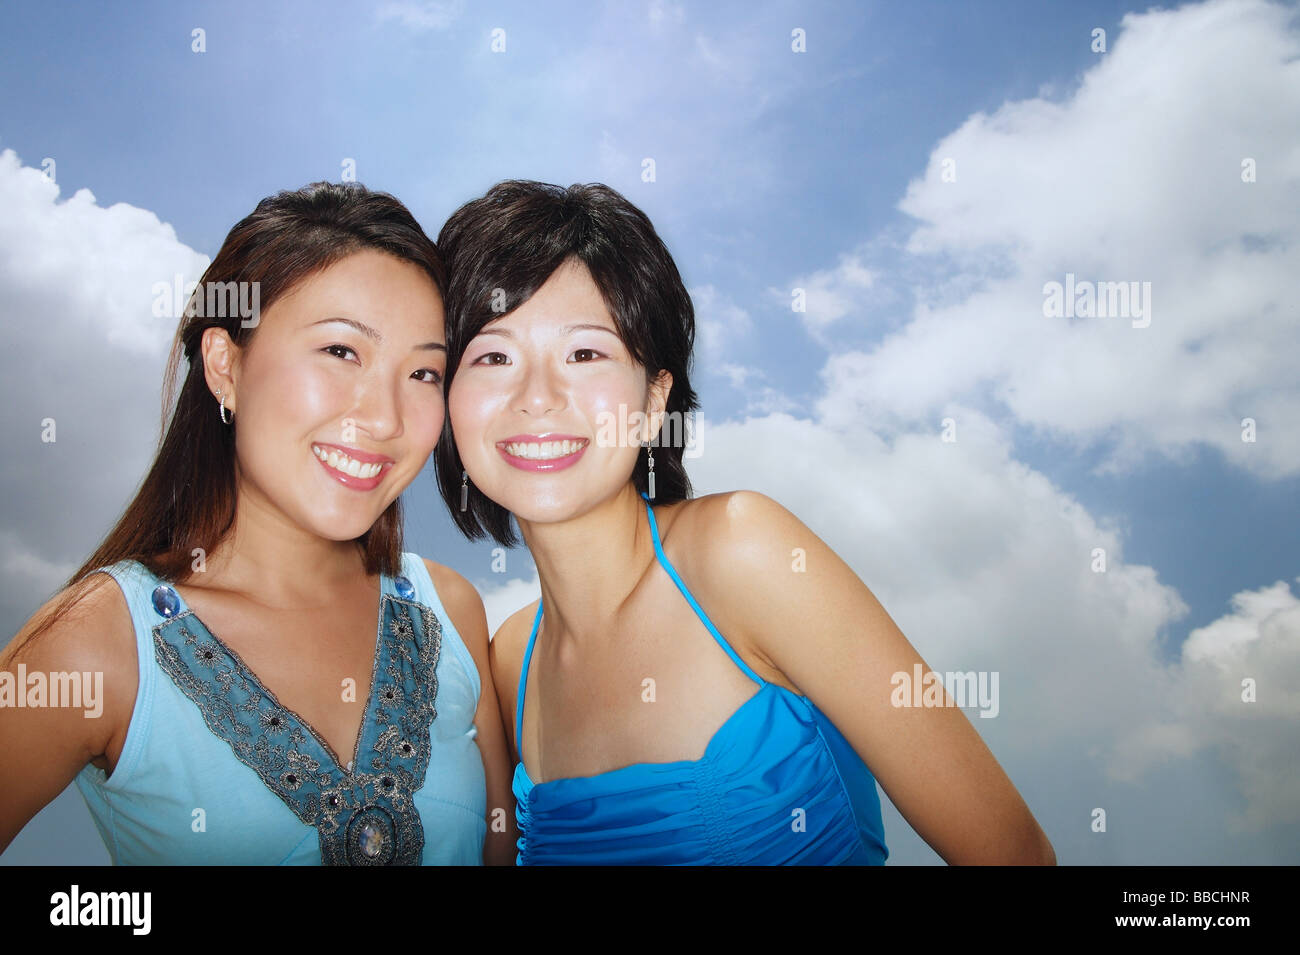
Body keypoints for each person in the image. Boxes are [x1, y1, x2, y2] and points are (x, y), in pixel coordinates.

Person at [432, 179, 1056, 865]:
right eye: (493, 356)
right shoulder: (509, 659)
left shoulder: (743, 550)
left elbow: (1013, 853)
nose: (538, 397)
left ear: (653, 399)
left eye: (585, 353)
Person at [0, 182, 515, 865]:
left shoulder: (450, 612)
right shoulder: (99, 643)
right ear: (225, 365)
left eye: (423, 371)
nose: (387, 418)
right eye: (340, 352)